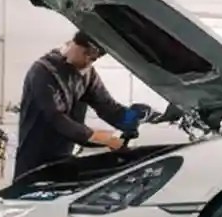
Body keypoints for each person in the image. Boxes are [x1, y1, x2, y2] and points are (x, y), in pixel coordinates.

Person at [15, 31, 154, 179]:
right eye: (87, 55)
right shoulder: (43, 72)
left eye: (94, 59)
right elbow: (57, 119)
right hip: (33, 162)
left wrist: (133, 118)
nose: (89, 61)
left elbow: (109, 108)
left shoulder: (86, 74)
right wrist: (106, 139)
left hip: (64, 160)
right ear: (76, 45)